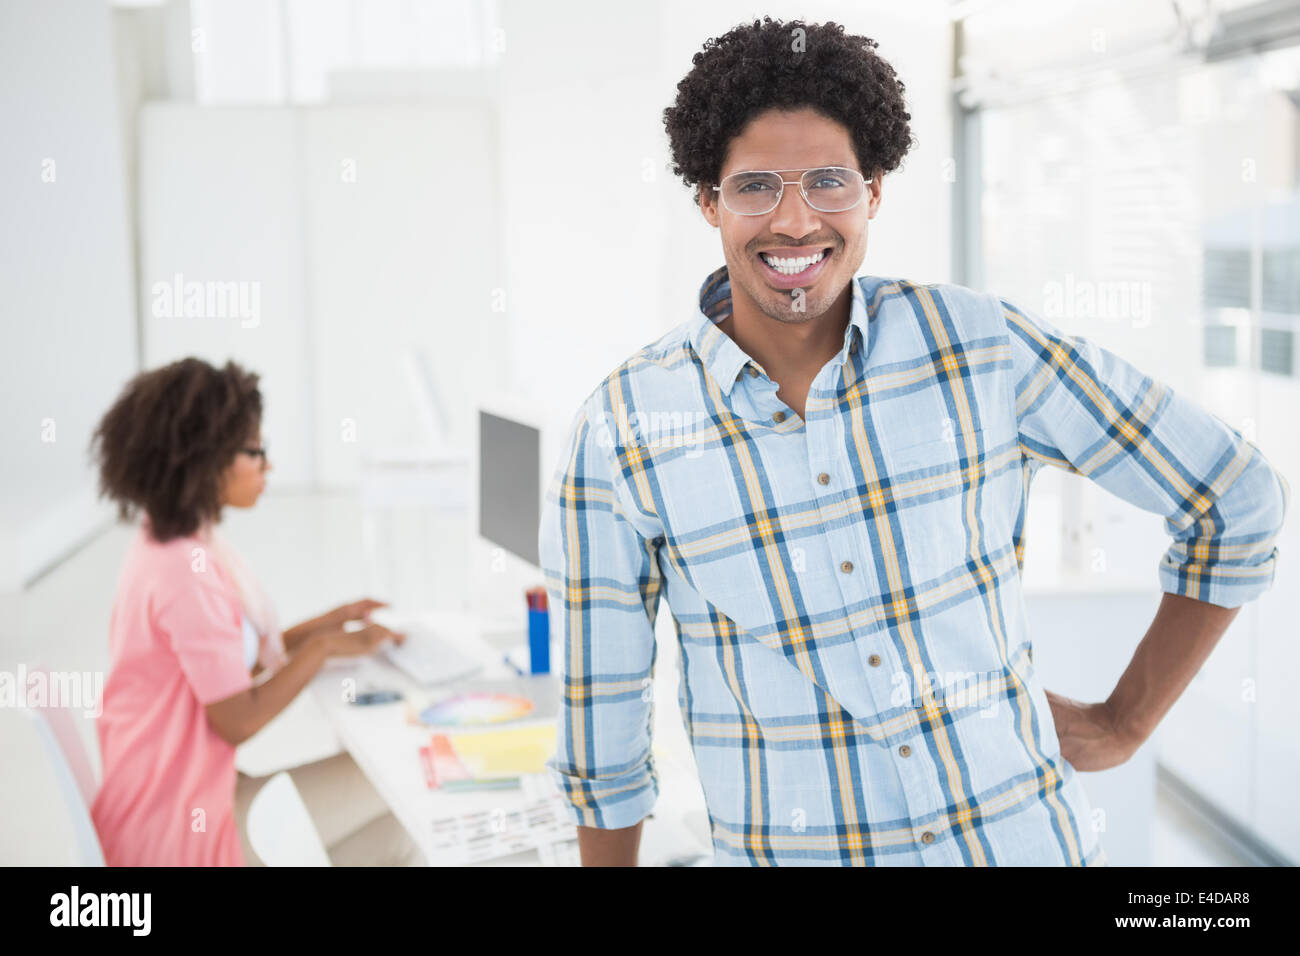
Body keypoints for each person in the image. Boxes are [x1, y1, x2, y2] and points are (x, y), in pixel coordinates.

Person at [538, 17, 1291, 866]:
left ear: (875, 190)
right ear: (707, 199)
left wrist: (1126, 722)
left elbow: (1235, 496)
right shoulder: (624, 427)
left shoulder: (980, 346)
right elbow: (603, 730)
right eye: (755, 187)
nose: (793, 222)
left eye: (828, 181)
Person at [88, 357, 413, 866]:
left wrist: (326, 623)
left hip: (163, 804)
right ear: (207, 459)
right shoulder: (186, 574)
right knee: (399, 774)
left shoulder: (168, 543)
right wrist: (325, 647)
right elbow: (237, 718)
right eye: (255, 452)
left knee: (394, 837)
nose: (268, 466)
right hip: (179, 832)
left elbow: (224, 667)